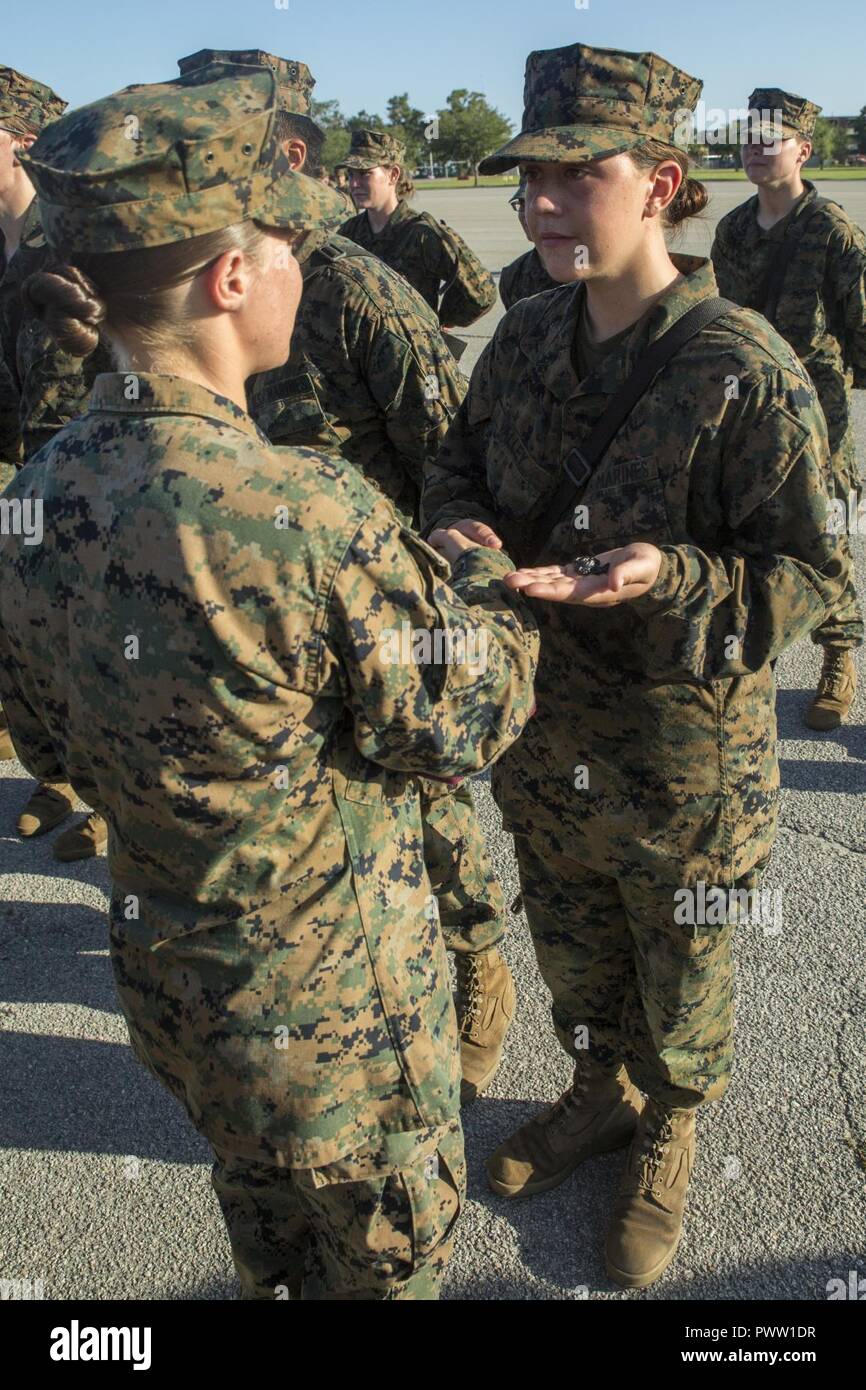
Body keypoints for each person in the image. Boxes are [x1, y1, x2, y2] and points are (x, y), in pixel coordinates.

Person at [0, 66, 539, 1299]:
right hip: (346, 1031)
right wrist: (486, 586)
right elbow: (463, 723)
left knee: (267, 1257)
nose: (307, 264)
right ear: (229, 277)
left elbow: (52, 742)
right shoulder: (302, 511)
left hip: (186, 1012)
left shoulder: (29, 504)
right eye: (288, 241)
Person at [422, 41, 850, 1290]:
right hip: (545, 736)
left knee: (682, 954)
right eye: (525, 179)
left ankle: (669, 1125)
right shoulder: (522, 337)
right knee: (569, 936)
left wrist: (673, 577)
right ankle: (595, 1088)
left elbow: (816, 577)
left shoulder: (740, 368)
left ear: (661, 181)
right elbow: (455, 460)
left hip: (683, 758)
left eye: (574, 171)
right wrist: (459, 523)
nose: (541, 201)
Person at [177, 48, 518, 1104]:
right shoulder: (198, 280)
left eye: (216, 142)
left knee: (426, 806)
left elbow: (449, 468)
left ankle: (476, 963)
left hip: (375, 606)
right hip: (259, 612)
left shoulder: (359, 293)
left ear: (284, 152)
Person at [711, 88, 865, 730]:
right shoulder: (734, 229)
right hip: (744, 406)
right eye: (749, 135)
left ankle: (839, 656)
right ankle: (755, 652)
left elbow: (861, 325)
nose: (755, 146)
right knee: (745, 521)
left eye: (770, 136)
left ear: (803, 149)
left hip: (818, 408)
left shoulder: (831, 230)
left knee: (826, 526)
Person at [0, 63, 109, 857]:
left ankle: (113, 800)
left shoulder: (78, 240)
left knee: (101, 641)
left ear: (24, 142)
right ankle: (57, 777)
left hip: (87, 479)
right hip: (16, 481)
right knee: (28, 639)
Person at [338, 128, 496, 355]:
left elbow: (482, 292)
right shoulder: (350, 233)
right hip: (361, 359)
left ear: (393, 175)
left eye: (365, 174)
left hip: (412, 360)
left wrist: (440, 320)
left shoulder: (423, 233)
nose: (354, 184)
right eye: (351, 174)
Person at [498, 182, 557, 310]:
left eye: (536, 203)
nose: (526, 214)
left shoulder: (587, 269)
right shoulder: (513, 277)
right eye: (522, 204)